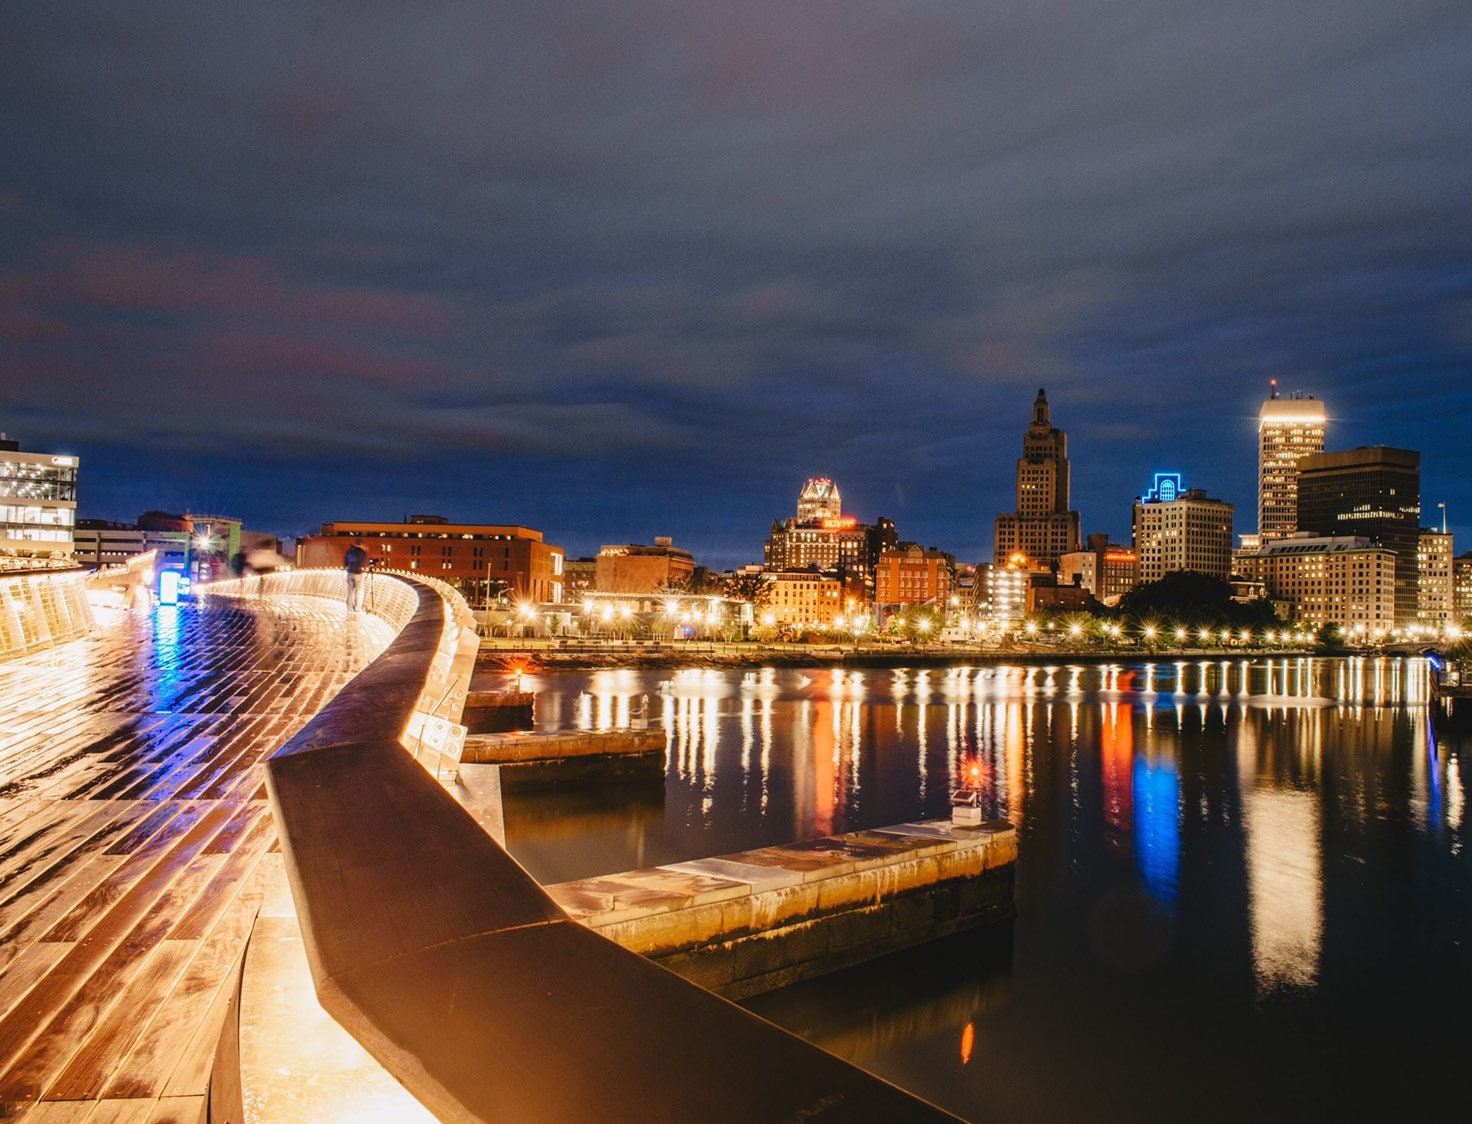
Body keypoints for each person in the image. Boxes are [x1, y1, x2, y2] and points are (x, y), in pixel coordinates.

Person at [343, 539, 368, 611]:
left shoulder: (349, 551)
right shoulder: (362, 552)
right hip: (359, 573)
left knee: (350, 591)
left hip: (350, 571)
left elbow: (345, 561)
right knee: (359, 591)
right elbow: (364, 562)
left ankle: (349, 607)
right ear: (360, 544)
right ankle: (357, 608)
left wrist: (346, 566)